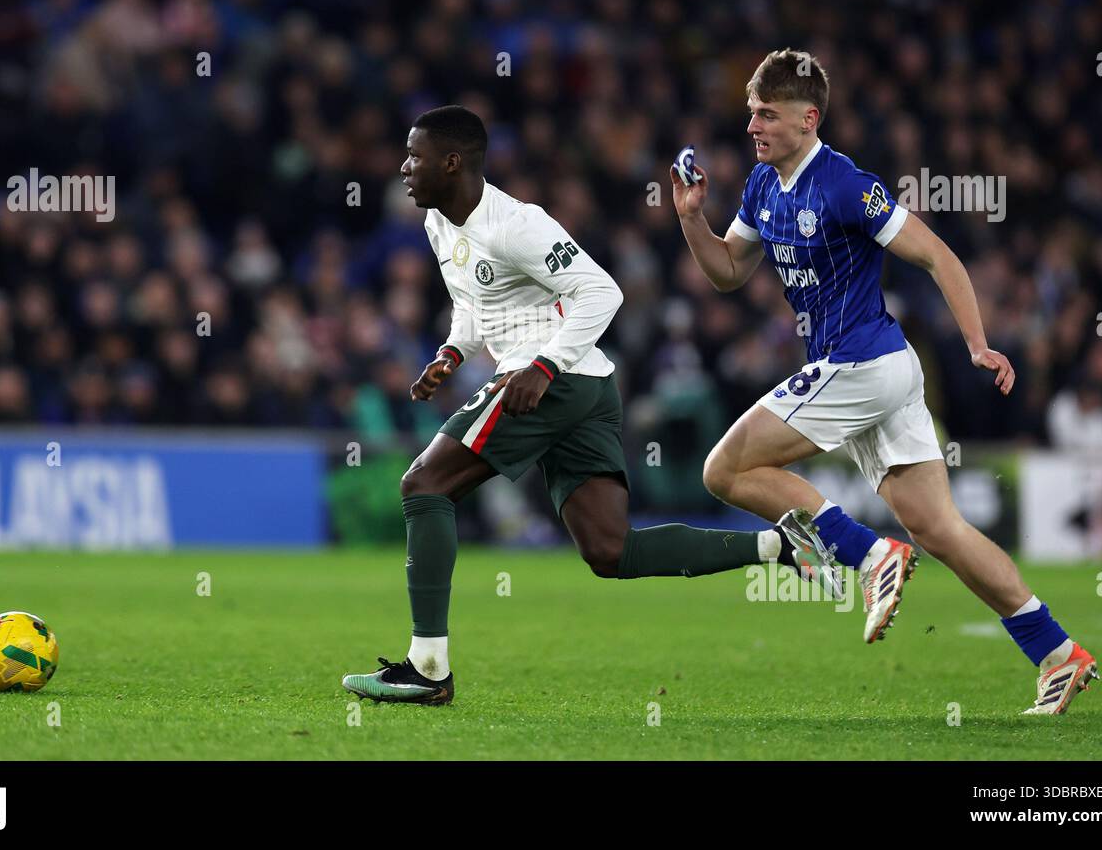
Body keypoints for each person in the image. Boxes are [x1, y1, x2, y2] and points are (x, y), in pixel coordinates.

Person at [342, 105, 836, 705]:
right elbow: (474, 303)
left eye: (414, 157)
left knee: (424, 485)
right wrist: (451, 352)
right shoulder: (439, 223)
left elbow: (603, 291)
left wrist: (544, 366)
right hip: (582, 386)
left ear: (451, 163)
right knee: (610, 550)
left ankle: (428, 669)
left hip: (553, 378)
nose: (404, 167)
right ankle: (782, 545)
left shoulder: (517, 224)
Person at [670, 49, 1098, 715]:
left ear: (808, 119)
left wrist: (977, 344)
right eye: (751, 113)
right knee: (940, 528)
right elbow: (727, 271)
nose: (753, 126)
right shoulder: (761, 187)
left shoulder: (845, 184)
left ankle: (870, 557)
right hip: (874, 373)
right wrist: (691, 217)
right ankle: (1058, 652)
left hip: (861, 364)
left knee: (724, 469)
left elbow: (937, 255)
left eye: (768, 115)